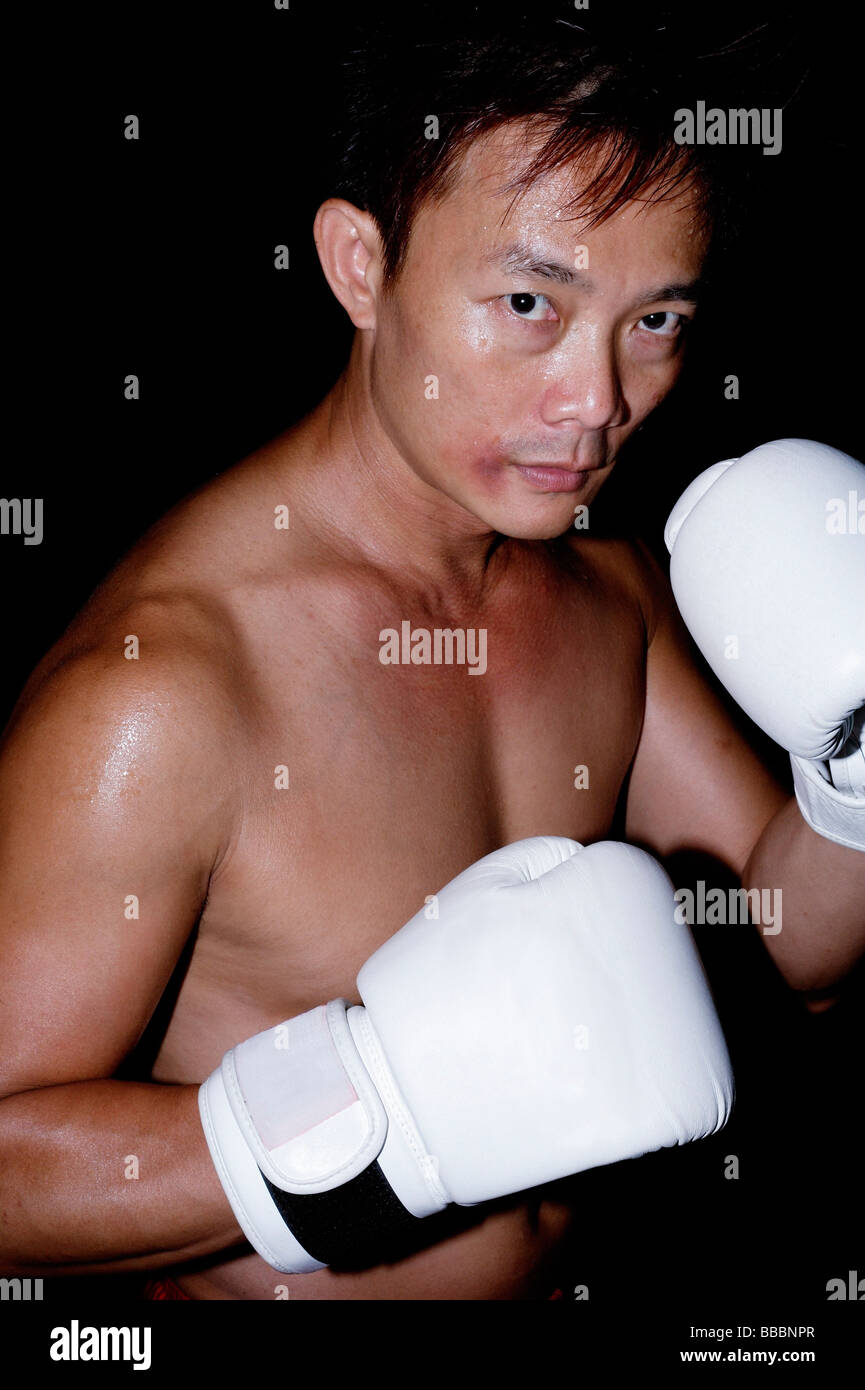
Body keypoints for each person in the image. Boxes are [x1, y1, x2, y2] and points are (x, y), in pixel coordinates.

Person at [0, 11, 861, 1300]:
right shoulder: (167, 689)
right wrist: (374, 1123)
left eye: (656, 323)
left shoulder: (607, 590)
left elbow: (776, 953)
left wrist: (854, 771)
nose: (596, 402)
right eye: (529, 303)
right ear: (359, 266)